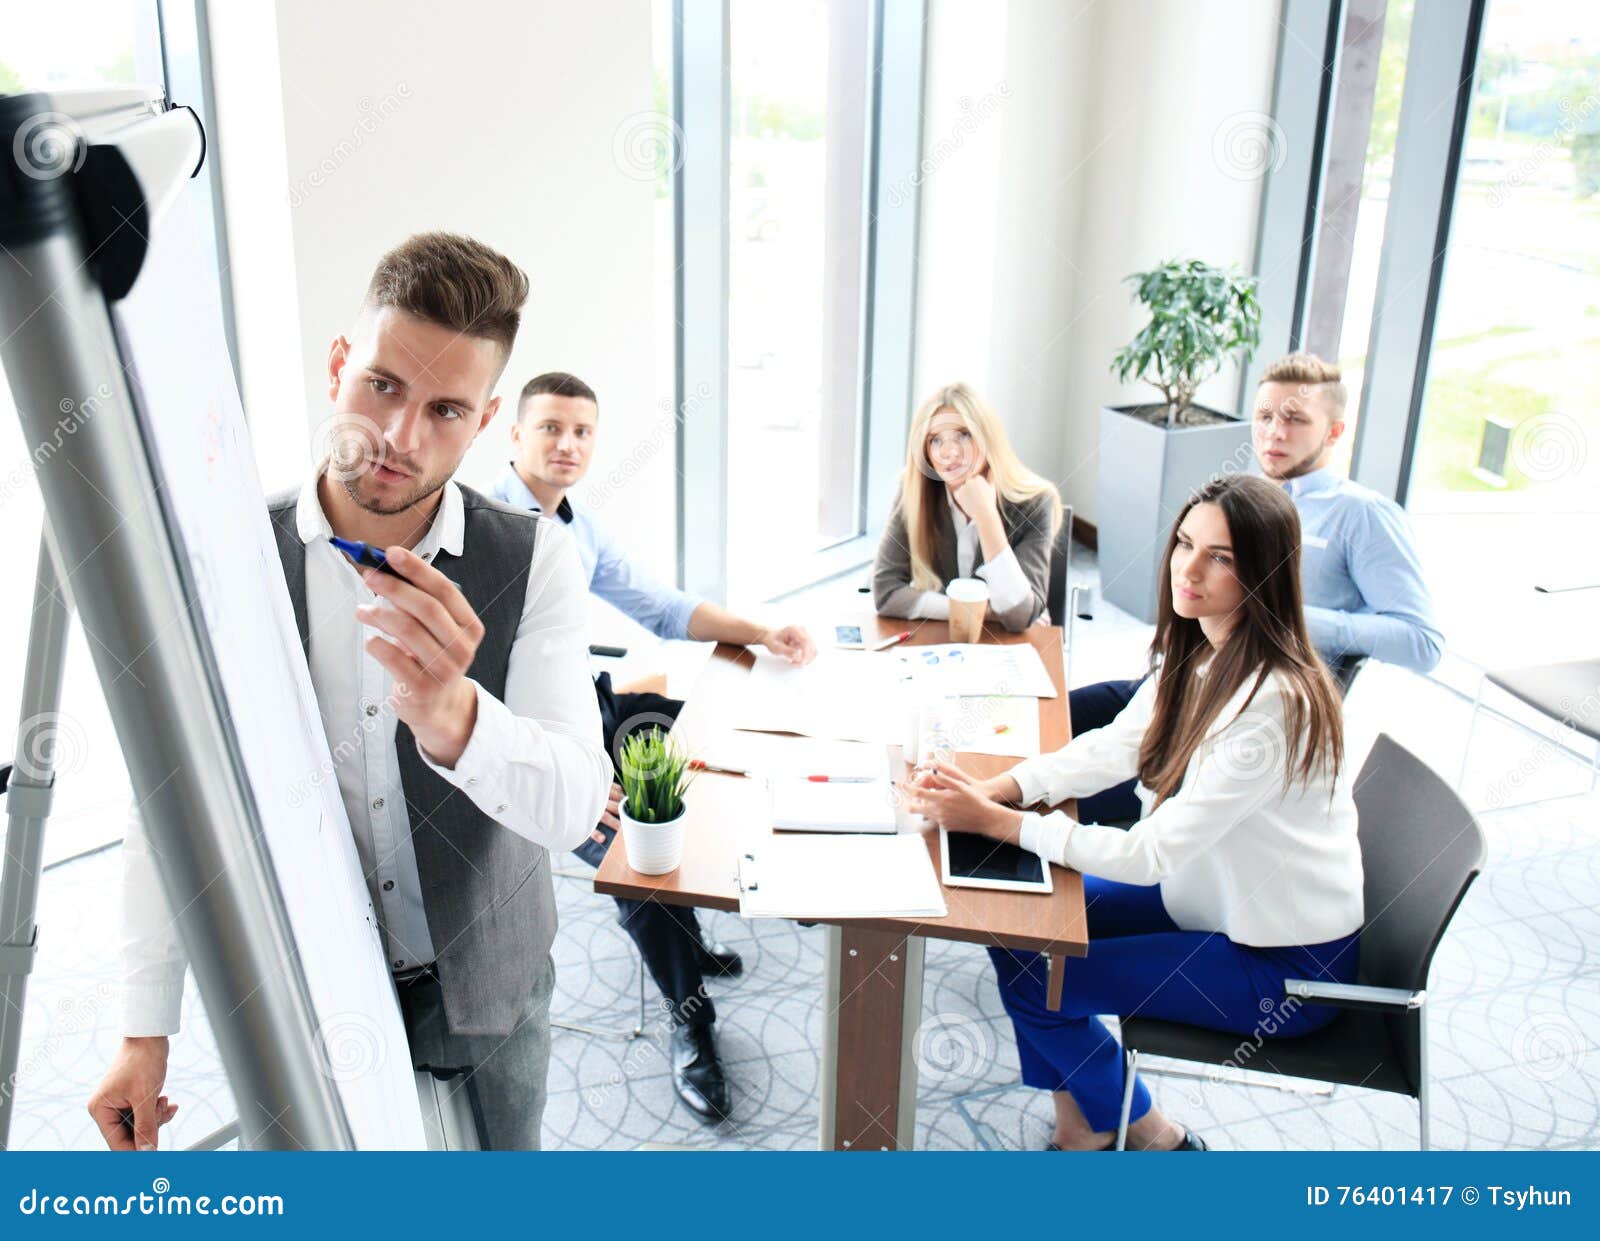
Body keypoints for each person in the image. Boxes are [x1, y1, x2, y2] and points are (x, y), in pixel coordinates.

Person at [89, 234, 611, 1151]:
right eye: (382, 385)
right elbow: (167, 795)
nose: (402, 437)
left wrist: (456, 718)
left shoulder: (538, 559)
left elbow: (573, 807)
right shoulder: (229, 560)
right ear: (339, 365)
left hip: (490, 984)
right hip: (305, 988)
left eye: (445, 409)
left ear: (485, 421)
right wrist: (144, 1026)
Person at [907, 474, 1363, 1152]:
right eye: (1185, 543)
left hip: (1284, 966)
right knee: (1021, 926)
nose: (1189, 569)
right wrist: (1000, 789)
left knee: (1043, 980)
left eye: (1220, 557)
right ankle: (1085, 1124)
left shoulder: (1274, 703)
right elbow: (1118, 745)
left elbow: (1151, 853)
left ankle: (1157, 1138)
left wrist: (1000, 822)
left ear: (1265, 573)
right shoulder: (1204, 648)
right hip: (1206, 900)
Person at [489, 370, 816, 1123]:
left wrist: (761, 630)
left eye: (582, 431)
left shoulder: (577, 524)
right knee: (636, 848)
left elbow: (663, 608)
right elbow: (480, 684)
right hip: (535, 743)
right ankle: (691, 1015)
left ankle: (723, 914)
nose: (568, 444)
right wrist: (563, 773)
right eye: (550, 428)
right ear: (514, 433)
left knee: (720, 736)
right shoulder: (486, 530)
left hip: (590, 704)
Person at [1072, 351, 1442, 825]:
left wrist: (1283, 613)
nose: (1274, 433)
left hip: (1238, 726)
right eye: (1265, 417)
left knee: (1042, 801)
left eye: (1295, 419)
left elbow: (1422, 643)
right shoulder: (1242, 496)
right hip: (1177, 685)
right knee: (1040, 723)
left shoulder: (1362, 516)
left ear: (1334, 432)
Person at [873, 382, 1062, 632]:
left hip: (1006, 644)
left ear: (987, 438)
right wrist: (983, 612)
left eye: (964, 435)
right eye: (935, 440)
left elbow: (1018, 616)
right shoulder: (915, 491)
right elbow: (886, 593)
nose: (949, 452)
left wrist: (986, 515)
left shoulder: (1036, 502)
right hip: (947, 638)